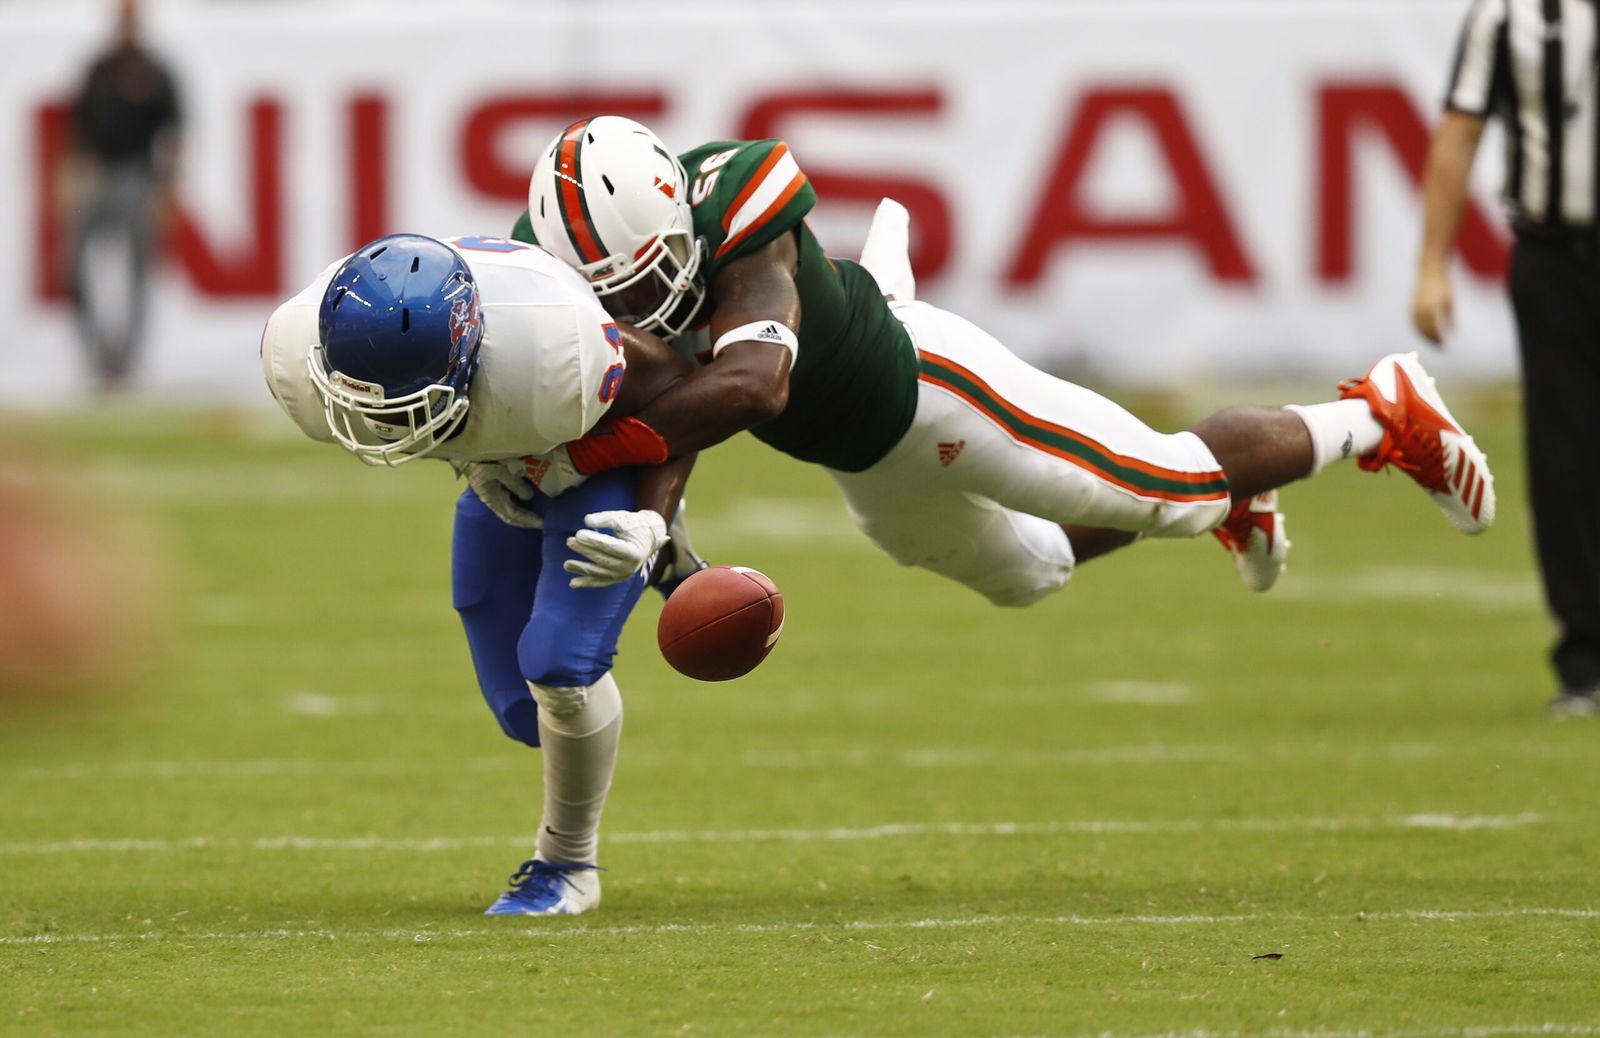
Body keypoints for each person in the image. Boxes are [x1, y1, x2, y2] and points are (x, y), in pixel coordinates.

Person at [509, 116, 1494, 617]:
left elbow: (746, 384)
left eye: (650, 280)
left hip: (932, 390)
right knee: (1031, 576)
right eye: (616, 297)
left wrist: (622, 470)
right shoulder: (580, 280)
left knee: (1177, 486)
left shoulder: (738, 204)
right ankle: (1243, 488)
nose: (641, 308)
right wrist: (659, 521)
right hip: (862, 454)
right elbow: (677, 385)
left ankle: (1380, 412)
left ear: (679, 211)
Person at [261, 232, 707, 916]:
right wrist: (477, 465)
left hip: (592, 448)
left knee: (560, 667)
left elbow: (682, 389)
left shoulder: (557, 349)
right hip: (502, 453)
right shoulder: (296, 349)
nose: (378, 424)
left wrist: (651, 517)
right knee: (521, 713)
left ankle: (567, 866)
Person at [1411, 0, 1599, 718]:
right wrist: (1433, 263)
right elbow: (1460, 130)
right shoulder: (1508, 15)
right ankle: (1584, 664)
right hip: (1554, 257)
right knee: (1564, 456)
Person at [64, 0, 183, 392]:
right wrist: (71, 174)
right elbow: (77, 125)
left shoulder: (154, 70)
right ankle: (97, 352)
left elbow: (174, 131)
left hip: (137, 174)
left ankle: (127, 358)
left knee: (138, 270)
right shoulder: (99, 68)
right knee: (75, 264)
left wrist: (165, 189)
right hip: (99, 171)